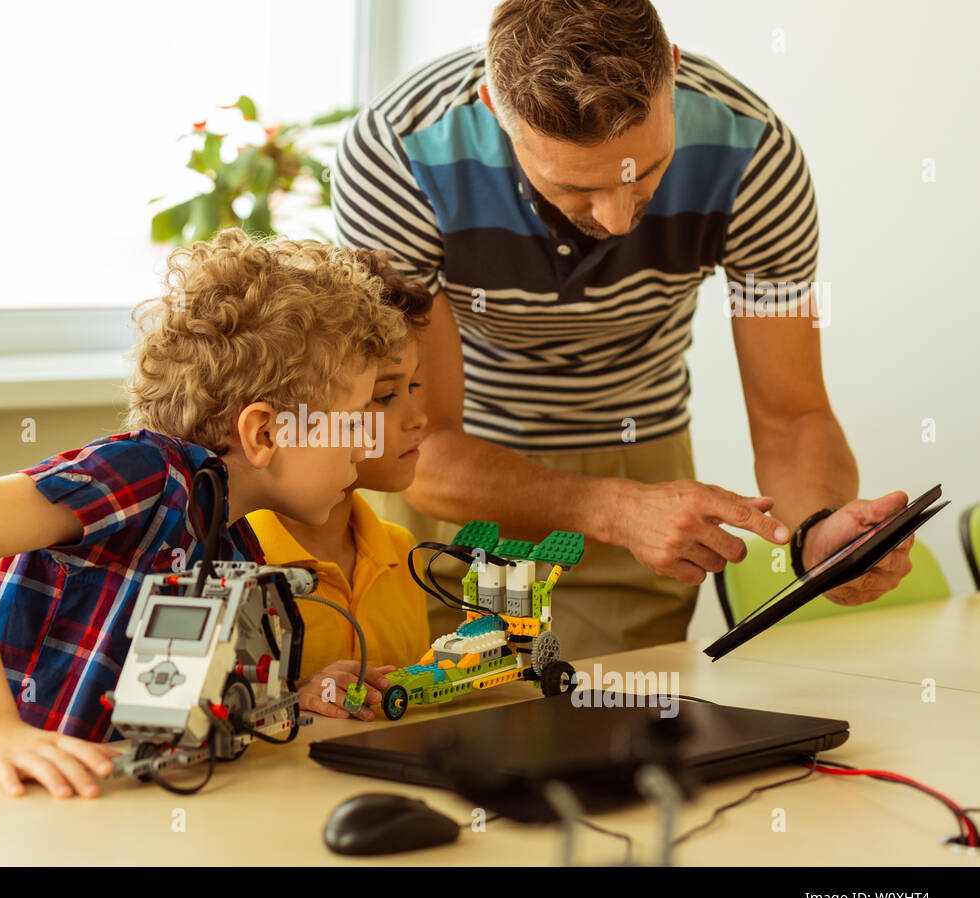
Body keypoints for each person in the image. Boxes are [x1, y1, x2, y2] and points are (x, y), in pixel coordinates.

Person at [330, 0, 914, 658]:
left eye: (648, 174)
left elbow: (793, 415)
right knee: (427, 721)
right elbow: (420, 438)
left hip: (639, 460)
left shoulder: (754, 157)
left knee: (604, 731)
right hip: (444, 485)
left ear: (671, 70)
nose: (614, 220)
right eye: (574, 187)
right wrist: (609, 508)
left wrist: (817, 529)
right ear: (497, 109)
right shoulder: (397, 156)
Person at [0, 229, 410, 798]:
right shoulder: (146, 474)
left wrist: (293, 697)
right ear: (264, 432)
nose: (365, 446)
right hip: (7, 805)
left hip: (103, 813)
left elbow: (186, 712)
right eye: (353, 420)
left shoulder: (236, 546)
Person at [248, 250, 433, 721]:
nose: (419, 419)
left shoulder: (402, 552)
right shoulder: (235, 564)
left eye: (414, 387)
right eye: (384, 396)